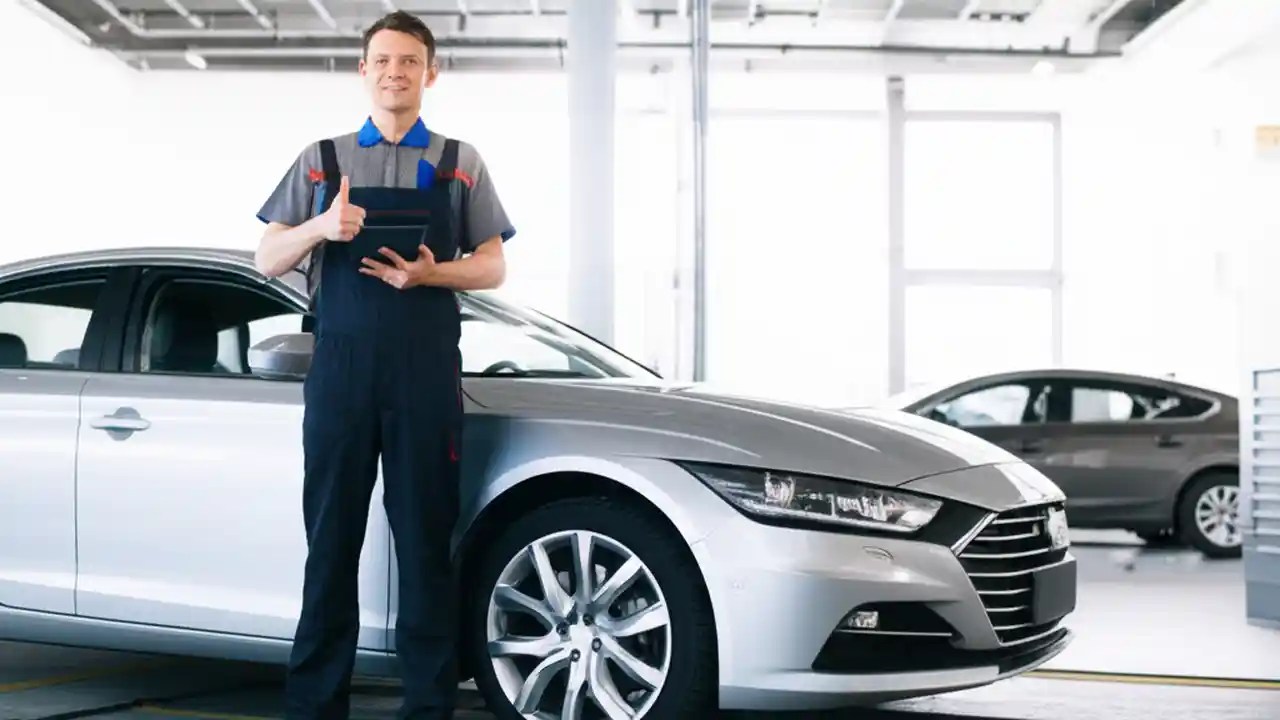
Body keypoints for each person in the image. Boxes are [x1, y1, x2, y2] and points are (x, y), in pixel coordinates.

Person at [252, 11, 515, 720]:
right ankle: (314, 706)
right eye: (382, 60)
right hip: (340, 371)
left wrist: (435, 274)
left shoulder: (462, 160)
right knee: (330, 542)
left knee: (427, 544)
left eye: (408, 61)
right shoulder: (321, 158)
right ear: (361, 71)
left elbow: (493, 266)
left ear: (431, 73)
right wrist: (318, 227)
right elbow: (266, 256)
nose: (394, 72)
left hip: (426, 374)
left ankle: (428, 708)